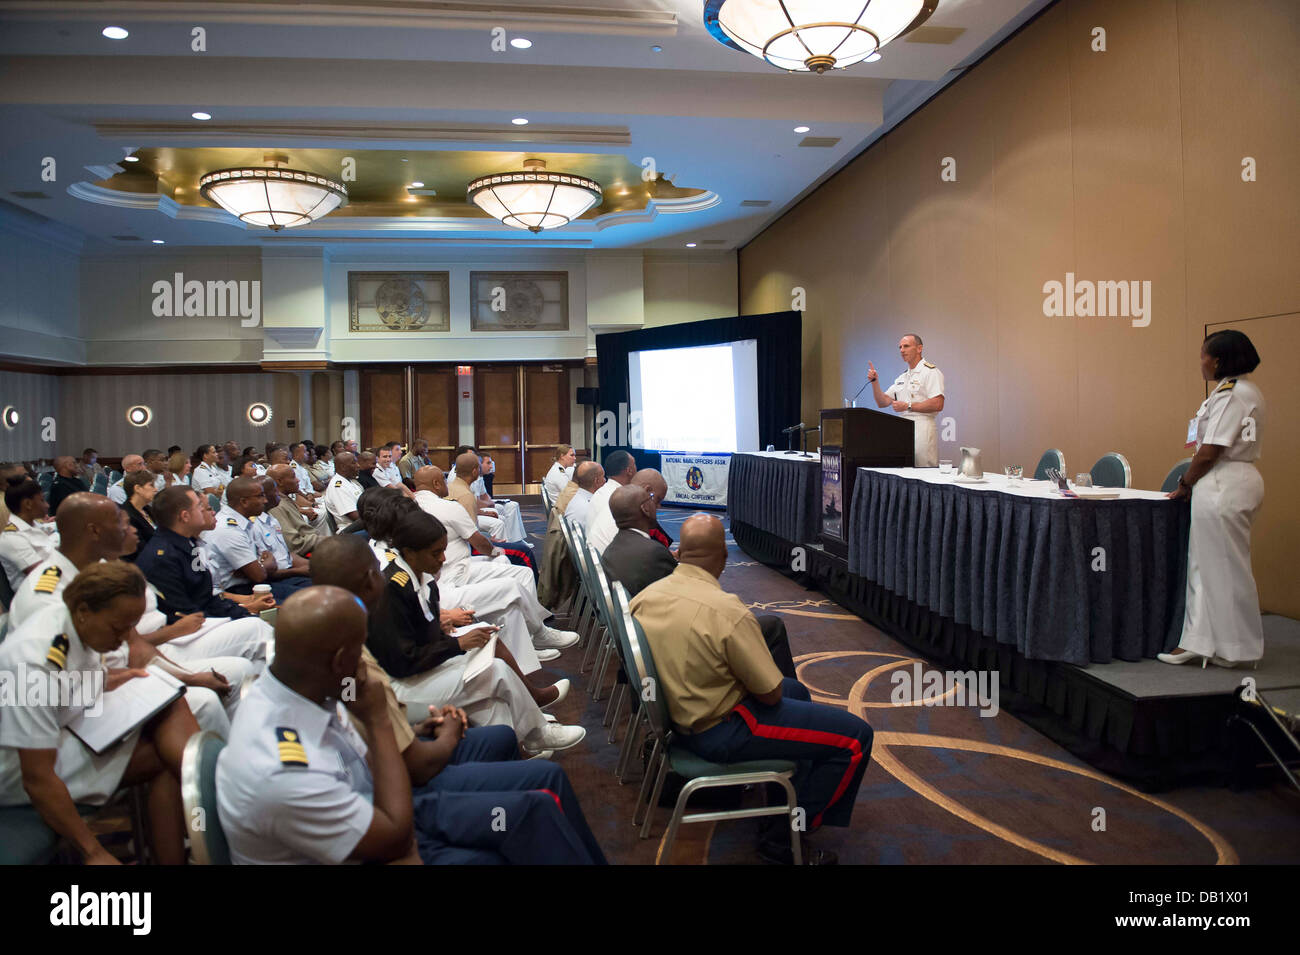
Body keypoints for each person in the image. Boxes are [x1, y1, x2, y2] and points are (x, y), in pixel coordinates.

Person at [630, 514, 873, 865]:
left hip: (679, 715)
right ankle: (784, 841)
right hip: (720, 728)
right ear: (723, 558)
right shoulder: (727, 610)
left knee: (798, 692)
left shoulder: (645, 597)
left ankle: (779, 803)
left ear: (679, 553)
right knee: (855, 737)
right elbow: (769, 694)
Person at [0, 562, 199, 865]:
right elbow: (37, 778)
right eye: (118, 629)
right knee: (164, 751)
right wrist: (94, 852)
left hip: (66, 726)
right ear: (84, 611)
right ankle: (211, 813)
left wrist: (115, 678)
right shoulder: (33, 664)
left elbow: (72, 678)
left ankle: (200, 824)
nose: (123, 639)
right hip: (16, 770)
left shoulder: (72, 620)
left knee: (169, 702)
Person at [368, 512, 585, 758]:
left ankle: (510, 753)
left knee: (489, 688)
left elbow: (422, 631)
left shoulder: (422, 577)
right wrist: (457, 644)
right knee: (496, 672)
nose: (443, 559)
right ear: (409, 552)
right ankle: (537, 732)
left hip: (420, 668)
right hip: (403, 688)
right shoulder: (394, 588)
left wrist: (444, 632)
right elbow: (401, 662)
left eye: (443, 550)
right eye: (435, 553)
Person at [1159, 330, 1267, 668]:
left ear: (1218, 360)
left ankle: (1234, 648)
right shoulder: (1237, 391)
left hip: (1223, 482)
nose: (1201, 362)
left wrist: (1185, 483)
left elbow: (1209, 451)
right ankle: (1210, 643)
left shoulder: (1233, 395)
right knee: (1207, 567)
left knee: (1222, 568)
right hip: (1228, 481)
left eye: (1204, 355)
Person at [410, 466, 576, 662]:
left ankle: (525, 647)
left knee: (514, 575)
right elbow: (477, 540)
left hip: (451, 572)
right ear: (436, 484)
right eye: (443, 481)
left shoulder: (411, 507)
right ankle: (538, 631)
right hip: (448, 580)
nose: (447, 484)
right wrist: (496, 550)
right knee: (512, 585)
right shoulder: (446, 507)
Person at [134, 486, 275, 624]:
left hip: (209, 615)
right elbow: (185, 614)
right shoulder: (163, 558)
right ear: (185, 516)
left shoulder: (188, 544)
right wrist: (244, 614)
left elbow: (204, 597)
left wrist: (244, 611)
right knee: (258, 628)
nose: (206, 511)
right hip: (189, 630)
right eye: (200, 506)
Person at [8, 493, 133, 630]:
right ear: (94, 531)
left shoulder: (97, 566)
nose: (125, 528)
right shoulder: (49, 599)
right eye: (118, 521)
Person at [203, 477, 311, 603]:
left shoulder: (246, 522)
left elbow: (264, 562)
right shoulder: (228, 529)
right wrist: (264, 565)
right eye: (260, 496)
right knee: (306, 601)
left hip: (255, 583)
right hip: (237, 591)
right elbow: (259, 574)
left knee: (313, 591)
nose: (265, 500)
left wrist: (258, 566)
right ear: (244, 502)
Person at [866, 333, 945, 467]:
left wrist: (908, 406)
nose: (902, 350)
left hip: (922, 427)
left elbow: (938, 403)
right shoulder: (902, 377)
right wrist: (875, 382)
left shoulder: (930, 372)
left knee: (922, 470)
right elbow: (882, 402)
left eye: (906, 346)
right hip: (902, 428)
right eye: (900, 347)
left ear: (919, 348)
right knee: (905, 470)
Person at [600, 484, 679, 599]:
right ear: (645, 509)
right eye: (650, 497)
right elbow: (679, 591)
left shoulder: (612, 548)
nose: (658, 505)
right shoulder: (654, 552)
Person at [1, 477, 58, 590]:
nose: (47, 505)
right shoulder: (12, 538)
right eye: (42, 500)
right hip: (41, 594)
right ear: (28, 504)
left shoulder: (35, 525)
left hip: (57, 585)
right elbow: (43, 577)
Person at [266, 464, 327, 556]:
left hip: (314, 544)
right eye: (293, 477)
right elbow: (294, 544)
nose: (298, 480)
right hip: (309, 552)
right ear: (280, 481)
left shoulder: (285, 499)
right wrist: (325, 540)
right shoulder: (277, 506)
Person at [585, 450, 636, 553]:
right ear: (629, 471)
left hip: (595, 557)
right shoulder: (620, 499)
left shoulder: (602, 491)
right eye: (634, 464)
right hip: (607, 560)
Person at [120, 468, 160, 561]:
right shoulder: (126, 516)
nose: (156, 489)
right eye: (151, 485)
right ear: (137, 488)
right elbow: (141, 549)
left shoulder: (148, 509)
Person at [324, 451, 365, 528]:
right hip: (351, 529)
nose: (358, 466)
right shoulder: (338, 487)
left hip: (363, 524)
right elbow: (354, 516)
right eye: (354, 463)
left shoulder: (351, 481)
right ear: (343, 467)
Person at [564, 461, 604, 527]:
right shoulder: (591, 509)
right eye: (603, 477)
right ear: (596, 481)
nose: (605, 480)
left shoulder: (577, 497)